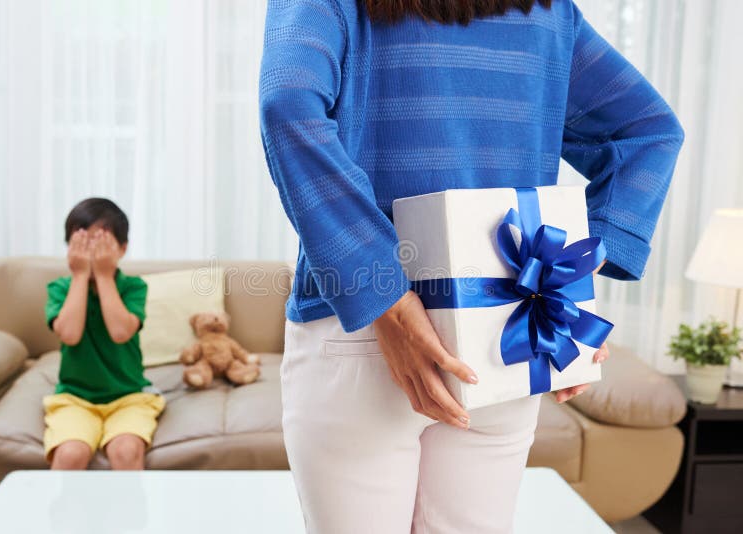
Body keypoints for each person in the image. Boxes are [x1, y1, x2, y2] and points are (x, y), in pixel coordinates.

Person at [259, 0, 684, 532]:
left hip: (363, 328)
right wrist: (566, 278)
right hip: (505, 325)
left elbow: (287, 102)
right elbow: (649, 131)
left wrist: (385, 297)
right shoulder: (548, 10)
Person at [42, 198, 165, 470]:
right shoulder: (60, 288)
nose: (92, 252)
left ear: (122, 249)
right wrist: (79, 276)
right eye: (83, 243)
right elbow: (69, 335)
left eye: (100, 243)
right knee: (70, 453)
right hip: (74, 399)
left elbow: (121, 332)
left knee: (126, 450)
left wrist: (105, 276)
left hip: (129, 397)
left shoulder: (133, 287)